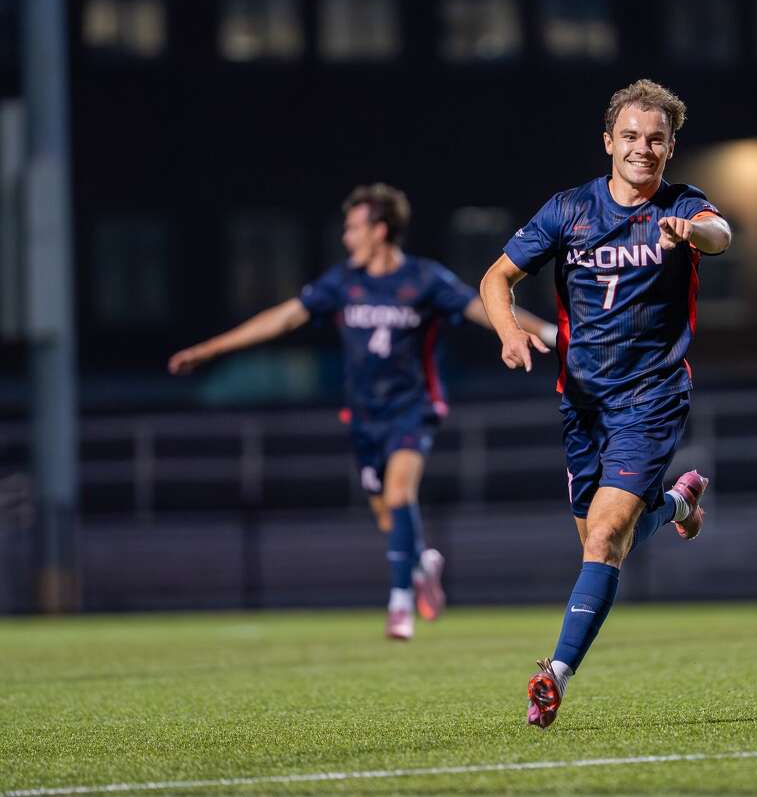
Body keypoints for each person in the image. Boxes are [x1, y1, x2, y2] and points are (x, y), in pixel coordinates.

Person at [168, 183, 556, 641]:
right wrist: (211, 349)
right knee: (389, 517)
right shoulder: (343, 282)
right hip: (364, 416)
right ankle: (421, 562)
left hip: (414, 408)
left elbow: (482, 310)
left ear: (380, 229)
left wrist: (553, 333)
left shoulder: (424, 279)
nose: (346, 237)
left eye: (353, 227)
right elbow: (284, 317)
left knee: (399, 494)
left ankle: (399, 606)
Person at [479, 79, 731, 729]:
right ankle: (679, 503)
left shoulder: (684, 205)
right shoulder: (569, 210)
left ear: (671, 147)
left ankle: (552, 675)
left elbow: (721, 233)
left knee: (606, 535)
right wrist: (509, 331)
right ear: (608, 142)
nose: (642, 149)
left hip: (651, 397)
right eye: (630, 137)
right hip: (582, 402)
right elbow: (497, 276)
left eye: (655, 139)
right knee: (600, 541)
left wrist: (694, 233)